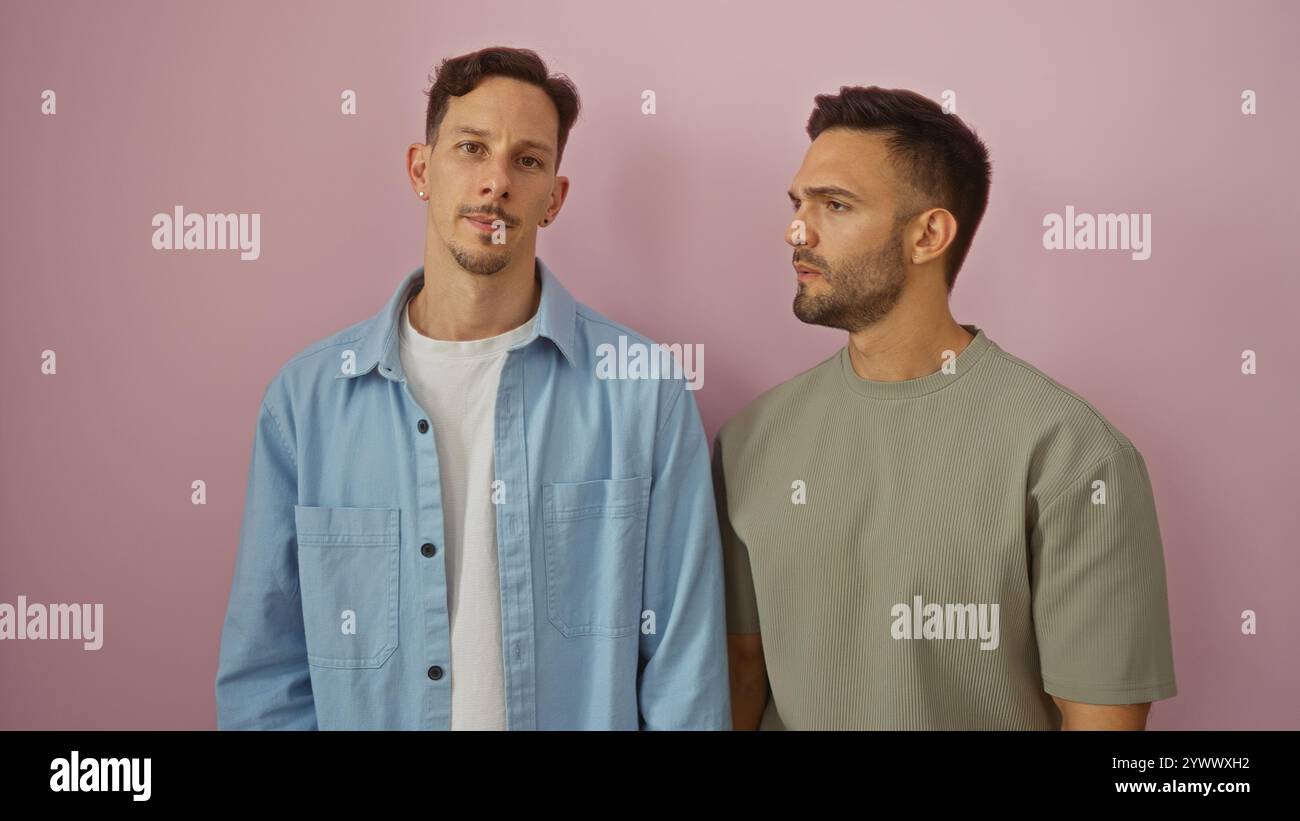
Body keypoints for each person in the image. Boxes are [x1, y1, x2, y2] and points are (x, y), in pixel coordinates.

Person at [216, 46, 729, 730]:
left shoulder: (643, 393)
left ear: (555, 198)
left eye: (528, 159)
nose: (496, 182)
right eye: (470, 147)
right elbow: (266, 675)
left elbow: (684, 674)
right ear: (421, 170)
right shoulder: (307, 403)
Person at [717, 85, 1177, 730]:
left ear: (929, 234)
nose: (797, 229)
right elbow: (740, 676)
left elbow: (1104, 724)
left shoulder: (1074, 455)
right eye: (798, 204)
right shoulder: (747, 442)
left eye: (836, 205)